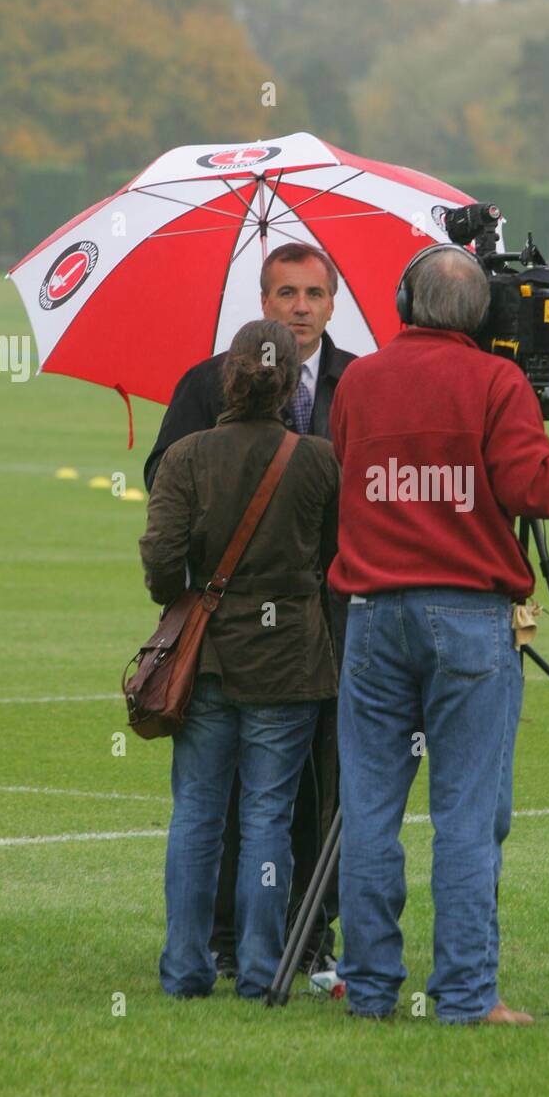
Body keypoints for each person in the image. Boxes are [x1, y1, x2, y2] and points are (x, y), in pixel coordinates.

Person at [328, 244, 549, 1025]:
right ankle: (465, 996)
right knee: (466, 814)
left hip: (369, 617)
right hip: (467, 616)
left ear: (403, 301)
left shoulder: (359, 380)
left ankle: (368, 990)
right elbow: (533, 490)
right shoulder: (497, 382)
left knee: (368, 813)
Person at [144, 243, 355, 980]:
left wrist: (190, 587)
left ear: (331, 302)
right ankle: (262, 964)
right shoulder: (310, 452)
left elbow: (162, 549)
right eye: (287, 292)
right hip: (293, 649)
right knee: (263, 814)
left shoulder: (354, 381)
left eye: (315, 293)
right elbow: (342, 538)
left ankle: (194, 965)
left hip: (246, 644)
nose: (301, 305)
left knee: (208, 813)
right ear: (265, 301)